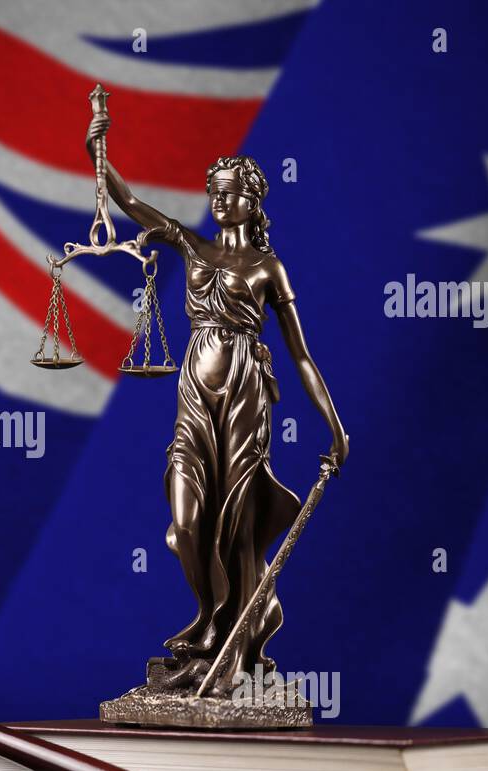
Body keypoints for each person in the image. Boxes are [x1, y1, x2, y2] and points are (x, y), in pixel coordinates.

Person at [87, 116, 349, 692]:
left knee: (238, 516)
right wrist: (100, 155)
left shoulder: (266, 268)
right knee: (187, 515)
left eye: (231, 192)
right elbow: (128, 201)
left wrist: (334, 425)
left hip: (246, 390)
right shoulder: (190, 245)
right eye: (215, 192)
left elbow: (301, 355)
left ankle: (235, 644)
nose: (219, 200)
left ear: (252, 201)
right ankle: (210, 619)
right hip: (195, 391)